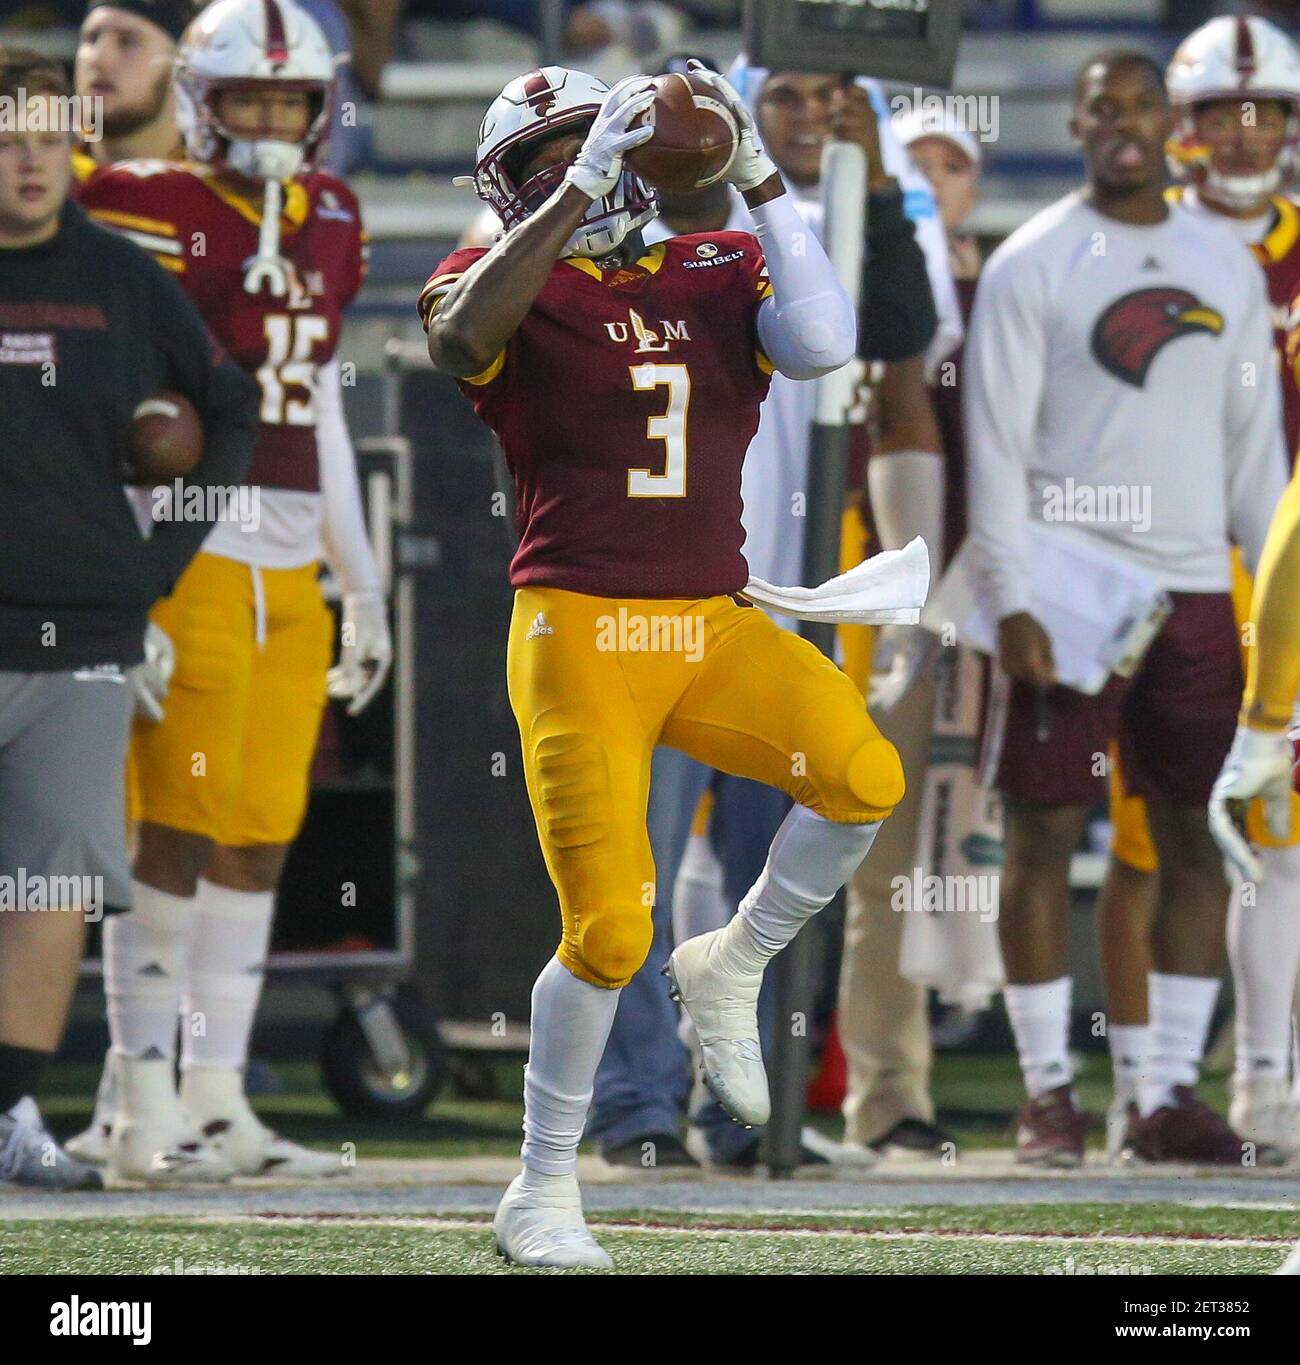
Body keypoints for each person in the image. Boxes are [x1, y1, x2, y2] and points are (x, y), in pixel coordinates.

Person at [423, 62, 908, 1266]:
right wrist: (570, 191)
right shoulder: (495, 284)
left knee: (862, 778)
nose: (572, 174)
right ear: (506, 186)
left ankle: (732, 963)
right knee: (604, 929)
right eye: (539, 163)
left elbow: (822, 342)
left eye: (589, 149)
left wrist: (757, 176)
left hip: (710, 617)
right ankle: (540, 1189)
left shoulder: (714, 263)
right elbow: (461, 335)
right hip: (581, 625)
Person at [585, 57, 944, 1170]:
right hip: (646, 587)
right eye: (784, 97)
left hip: (779, 594)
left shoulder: (820, 228)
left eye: (836, 97)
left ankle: (743, 1110)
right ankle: (635, 1104)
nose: (812, 114)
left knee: (790, 858)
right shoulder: (651, 224)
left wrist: (872, 186)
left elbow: (885, 329)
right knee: (625, 867)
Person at [69, 0, 391, 1184]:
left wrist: (362, 583)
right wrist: (128, 570)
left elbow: (331, 404)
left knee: (258, 840)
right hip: (190, 543)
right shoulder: (141, 203)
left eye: (286, 102)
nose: (266, 120)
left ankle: (213, 1101)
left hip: (293, 553)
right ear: (204, 102)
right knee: (172, 833)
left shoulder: (335, 214)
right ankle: (137, 1103)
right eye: (246, 98)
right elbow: (112, 399)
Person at [965, 49, 1287, 1167]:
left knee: (1202, 836)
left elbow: (1257, 460)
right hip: (1068, 583)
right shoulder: (1032, 259)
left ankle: (1162, 1098)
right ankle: (1049, 1092)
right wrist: (1009, 597)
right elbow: (991, 446)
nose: (1125, 123)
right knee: (1043, 836)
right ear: (1076, 119)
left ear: (1168, 122)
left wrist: (1275, 599)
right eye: (1104, 105)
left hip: (1198, 590)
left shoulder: (1226, 266)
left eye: (1142, 103)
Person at [0, 47, 256, 1187]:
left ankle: (8, 1115)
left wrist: (157, 558)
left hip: (87, 629)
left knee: (53, 884)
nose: (29, 161)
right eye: (7, 139)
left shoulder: (120, 275)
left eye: (47, 137)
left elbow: (231, 408)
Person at [1092, 14, 1300, 1161]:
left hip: (1289, 568)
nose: (1243, 134)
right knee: (1154, 838)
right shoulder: (1130, 245)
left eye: (1263, 111)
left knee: (1280, 828)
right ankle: (1148, 1090)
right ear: (1182, 129)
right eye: (1220, 114)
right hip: (1159, 566)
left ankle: (1268, 1077)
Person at [73, 1, 196, 179]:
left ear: (182, 67)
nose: (98, 58)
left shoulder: (224, 198)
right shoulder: (38, 186)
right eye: (92, 38)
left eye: (127, 42)